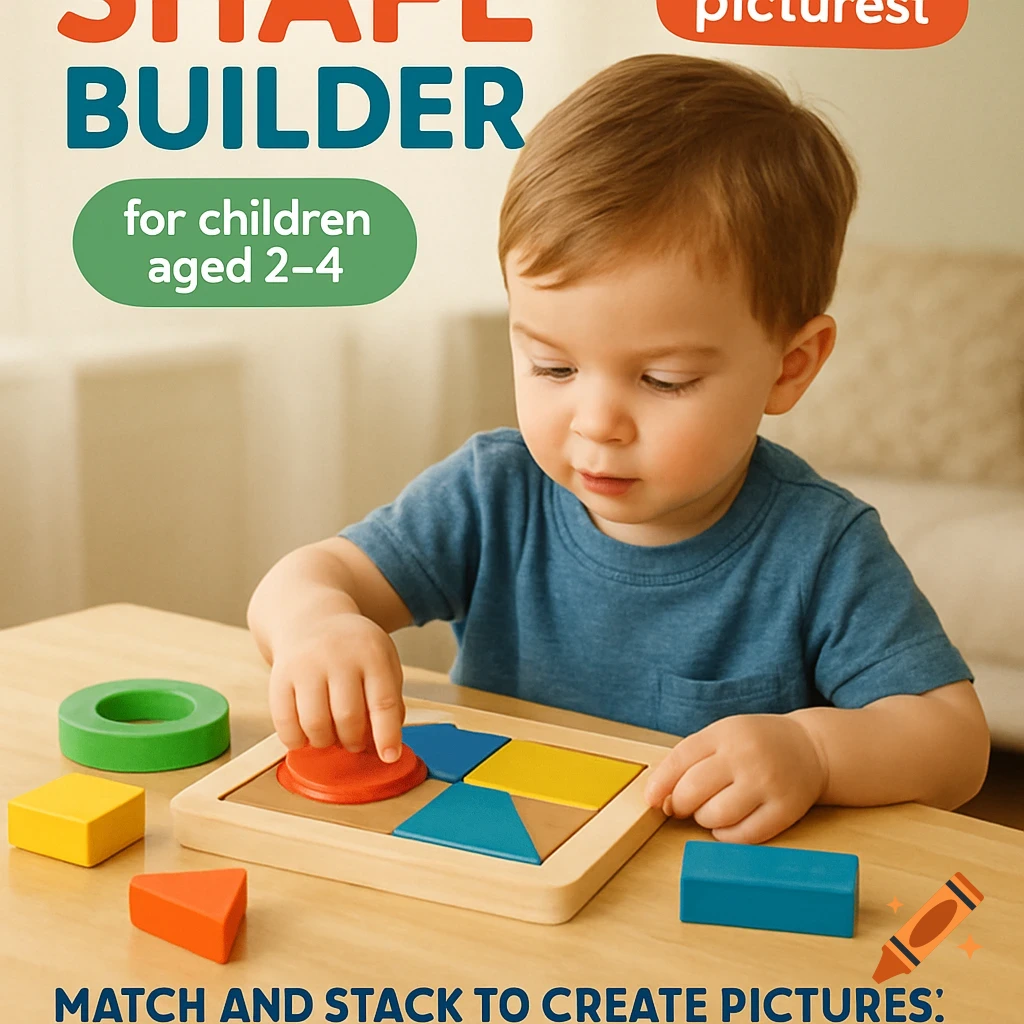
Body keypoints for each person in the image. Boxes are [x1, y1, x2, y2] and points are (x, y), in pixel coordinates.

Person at [247, 54, 989, 844]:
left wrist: (812, 748)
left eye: (664, 380)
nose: (596, 423)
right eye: (552, 366)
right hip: (503, 861)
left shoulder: (820, 547)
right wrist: (316, 623)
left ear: (790, 365)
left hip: (687, 915)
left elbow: (954, 741)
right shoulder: (493, 492)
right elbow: (304, 579)